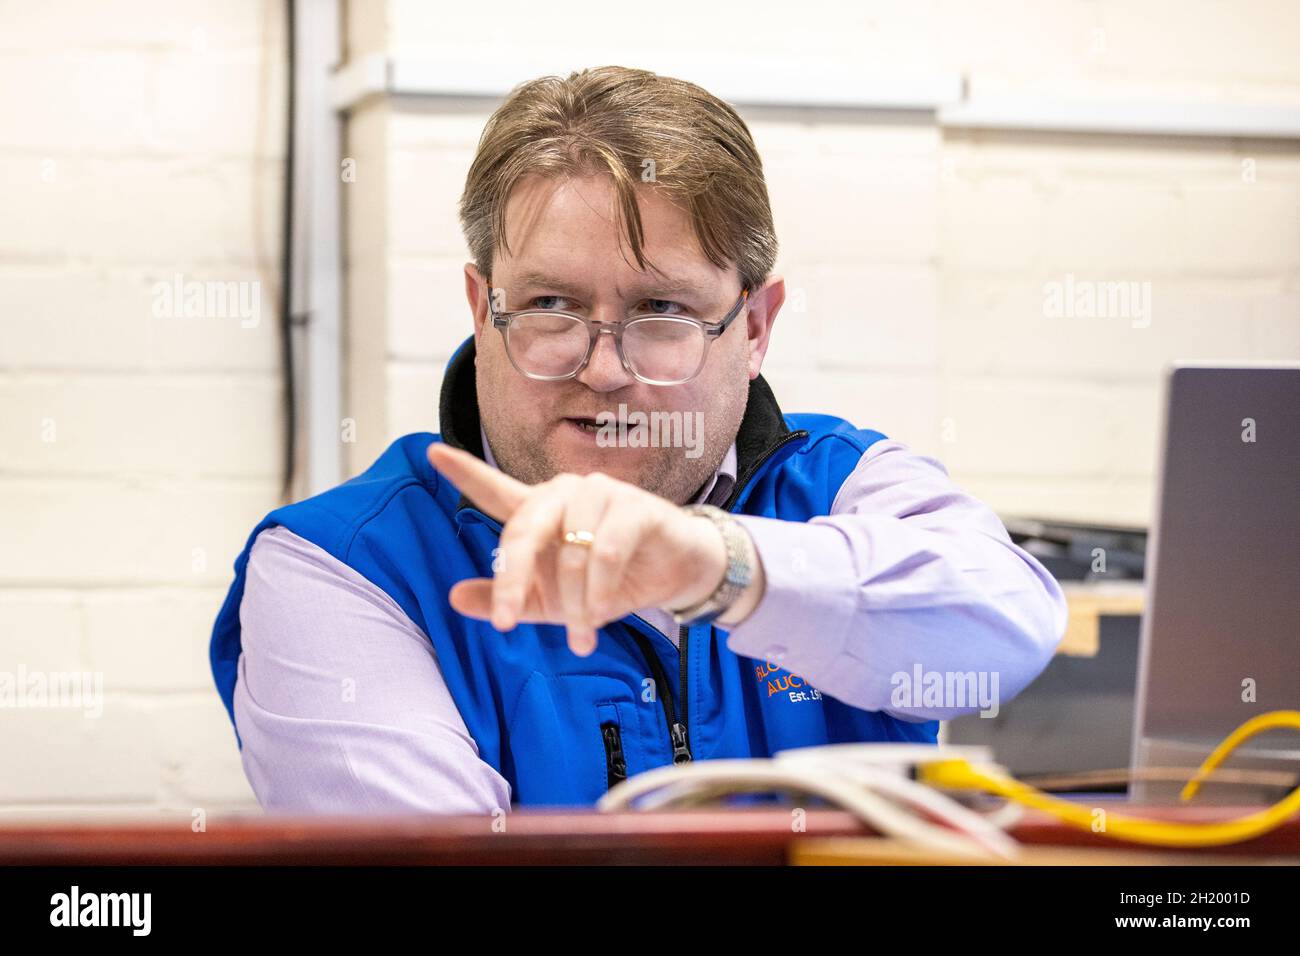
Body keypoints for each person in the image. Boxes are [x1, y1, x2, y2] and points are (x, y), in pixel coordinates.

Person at [209, 65, 1066, 814]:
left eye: (662, 310)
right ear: (482, 308)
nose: (604, 368)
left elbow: (1007, 630)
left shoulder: (843, 486)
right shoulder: (343, 567)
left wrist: (712, 563)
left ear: (757, 326)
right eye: (550, 306)